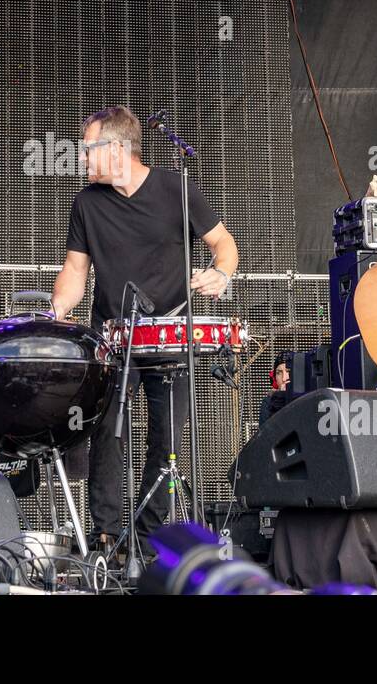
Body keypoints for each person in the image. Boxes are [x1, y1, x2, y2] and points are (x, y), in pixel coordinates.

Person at [50, 106, 238, 553]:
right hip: (114, 337)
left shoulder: (177, 188)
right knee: (107, 430)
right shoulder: (87, 204)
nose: (81, 160)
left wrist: (222, 274)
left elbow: (223, 244)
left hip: (172, 334)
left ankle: (148, 533)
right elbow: (76, 271)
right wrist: (58, 306)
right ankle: (106, 533)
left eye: (87, 150)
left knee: (168, 439)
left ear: (116, 149)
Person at [259, 359, 292, 426]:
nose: (284, 379)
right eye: (279, 373)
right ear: (274, 379)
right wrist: (281, 398)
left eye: (288, 371)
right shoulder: (268, 402)